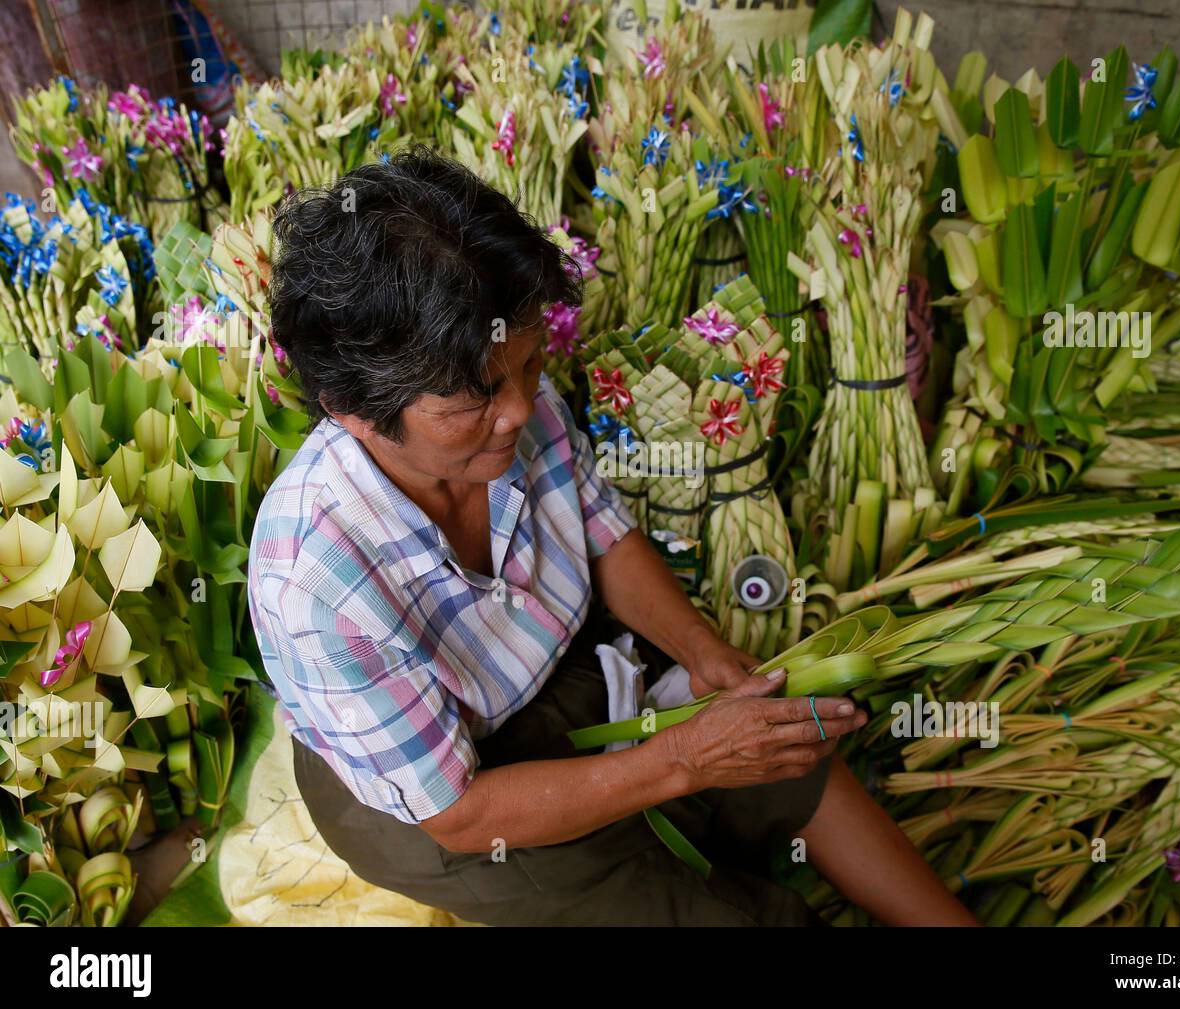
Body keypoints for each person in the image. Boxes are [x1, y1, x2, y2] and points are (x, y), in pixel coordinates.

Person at [247, 145, 977, 927]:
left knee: (781, 747)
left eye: (530, 366)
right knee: (697, 904)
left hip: (553, 671)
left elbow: (602, 532)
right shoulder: (315, 582)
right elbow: (457, 812)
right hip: (443, 805)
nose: (522, 410)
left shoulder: (506, 396)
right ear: (353, 410)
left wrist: (703, 653)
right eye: (476, 399)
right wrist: (682, 759)